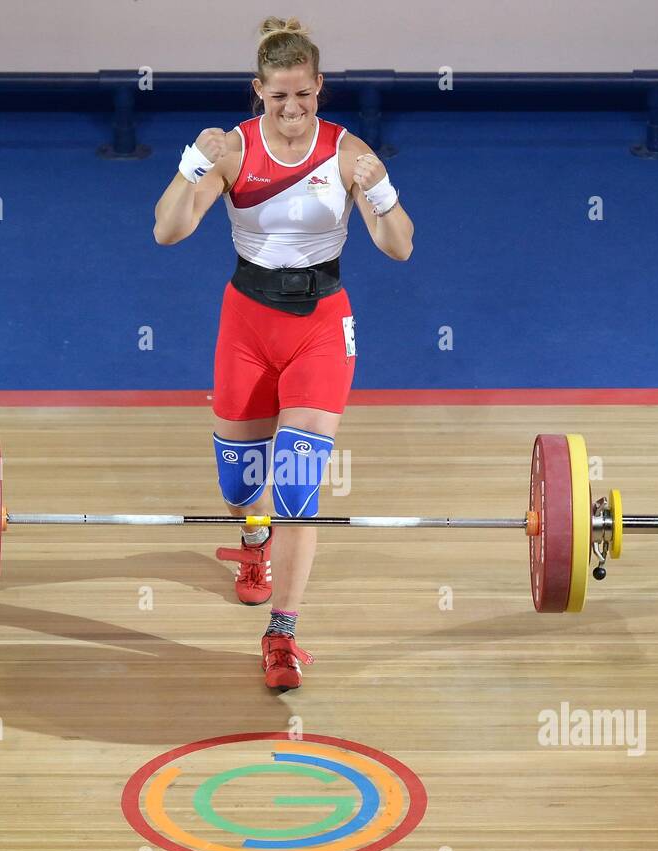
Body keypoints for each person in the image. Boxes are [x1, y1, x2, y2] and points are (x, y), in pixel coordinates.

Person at [153, 16, 414, 690]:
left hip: (321, 326)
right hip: (246, 325)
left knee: (297, 486)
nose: (293, 110)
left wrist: (379, 189)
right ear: (258, 94)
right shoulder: (234, 151)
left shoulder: (346, 151)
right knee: (241, 487)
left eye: (304, 95)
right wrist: (192, 167)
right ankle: (251, 545)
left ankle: (283, 633)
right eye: (279, 99)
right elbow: (168, 230)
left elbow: (400, 246)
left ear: (320, 87)